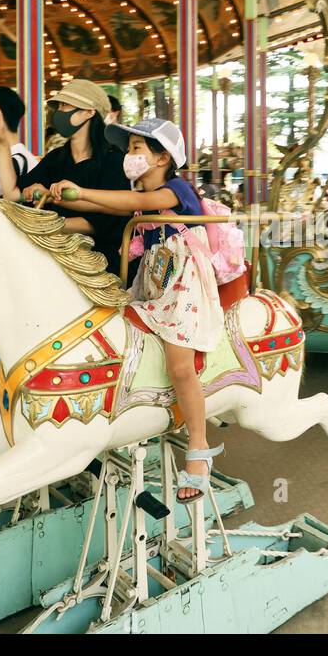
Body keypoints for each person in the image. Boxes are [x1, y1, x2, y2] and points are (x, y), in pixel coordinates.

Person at [52, 118, 223, 504]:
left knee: (179, 364)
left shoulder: (174, 189)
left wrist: (80, 192)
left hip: (183, 283)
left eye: (135, 149)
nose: (128, 156)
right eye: (129, 148)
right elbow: (115, 203)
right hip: (155, 277)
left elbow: (133, 204)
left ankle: (199, 450)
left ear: (162, 157)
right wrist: (74, 197)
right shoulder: (140, 189)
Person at [12, 79, 132, 277]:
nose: (60, 112)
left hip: (98, 258)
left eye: (66, 105)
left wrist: (48, 222)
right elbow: (14, 192)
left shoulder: (114, 159)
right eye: (59, 106)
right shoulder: (57, 157)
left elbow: (110, 217)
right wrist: (4, 143)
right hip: (56, 250)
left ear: (89, 112)